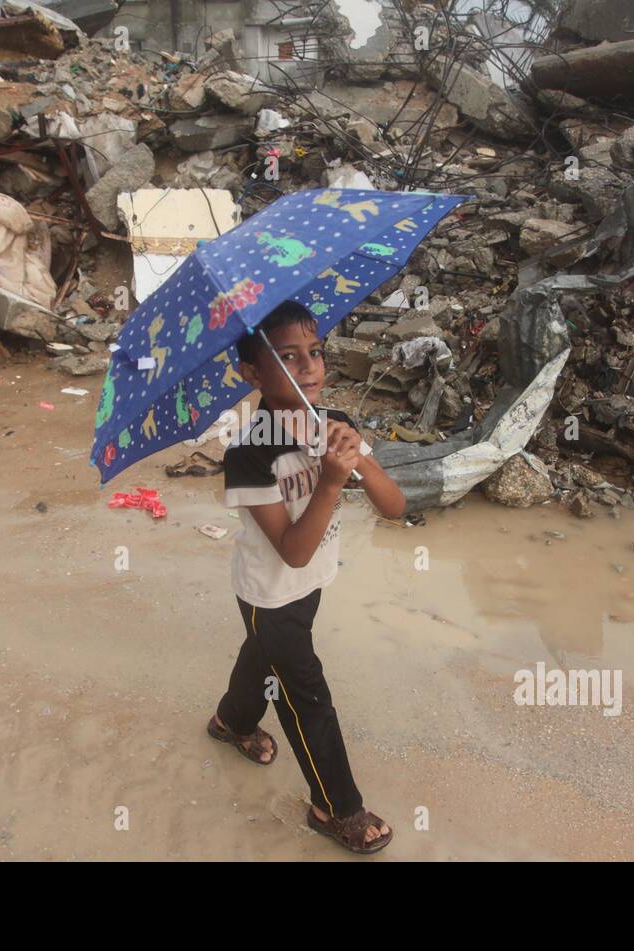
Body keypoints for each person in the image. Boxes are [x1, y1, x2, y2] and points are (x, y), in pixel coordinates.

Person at [206, 301, 408, 854]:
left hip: (312, 581)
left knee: (262, 656)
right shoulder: (249, 454)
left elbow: (395, 505)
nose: (310, 368)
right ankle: (335, 807)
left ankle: (231, 722)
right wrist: (330, 484)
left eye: (314, 352)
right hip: (269, 590)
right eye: (288, 357)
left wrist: (356, 459)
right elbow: (292, 552)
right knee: (306, 694)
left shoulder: (334, 422)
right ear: (252, 373)